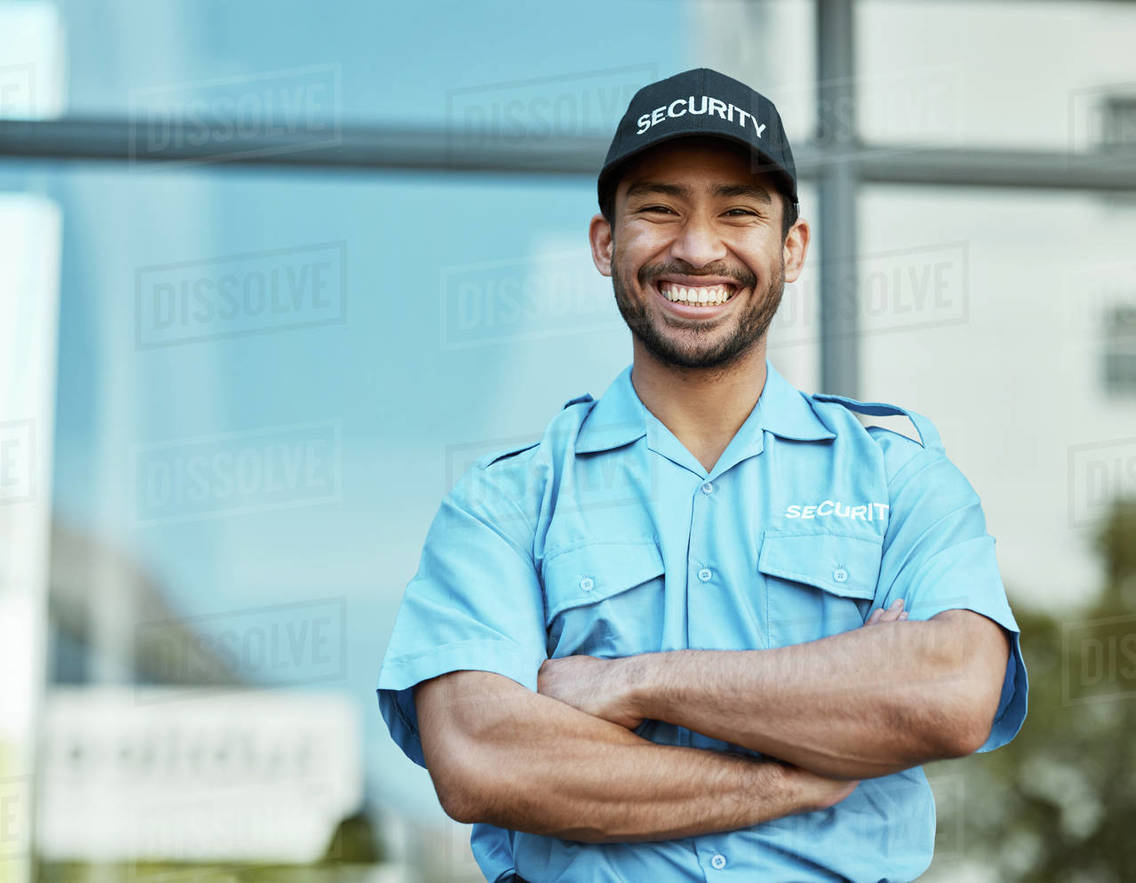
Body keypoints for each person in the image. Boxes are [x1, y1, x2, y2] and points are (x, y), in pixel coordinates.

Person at [377, 68, 1027, 882]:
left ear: (791, 248)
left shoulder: (898, 477)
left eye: (738, 211)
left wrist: (634, 682)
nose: (696, 246)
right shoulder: (506, 502)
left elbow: (953, 691)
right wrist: (794, 777)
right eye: (657, 209)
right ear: (604, 242)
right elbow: (484, 755)